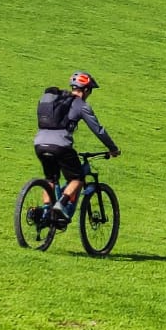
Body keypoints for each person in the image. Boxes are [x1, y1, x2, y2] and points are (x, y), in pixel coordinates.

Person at [34, 71, 121, 226]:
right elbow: (98, 130)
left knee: (51, 179)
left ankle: (46, 211)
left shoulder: (56, 101)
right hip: (60, 146)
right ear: (86, 90)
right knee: (78, 178)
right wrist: (112, 148)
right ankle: (61, 204)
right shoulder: (81, 105)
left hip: (39, 143)